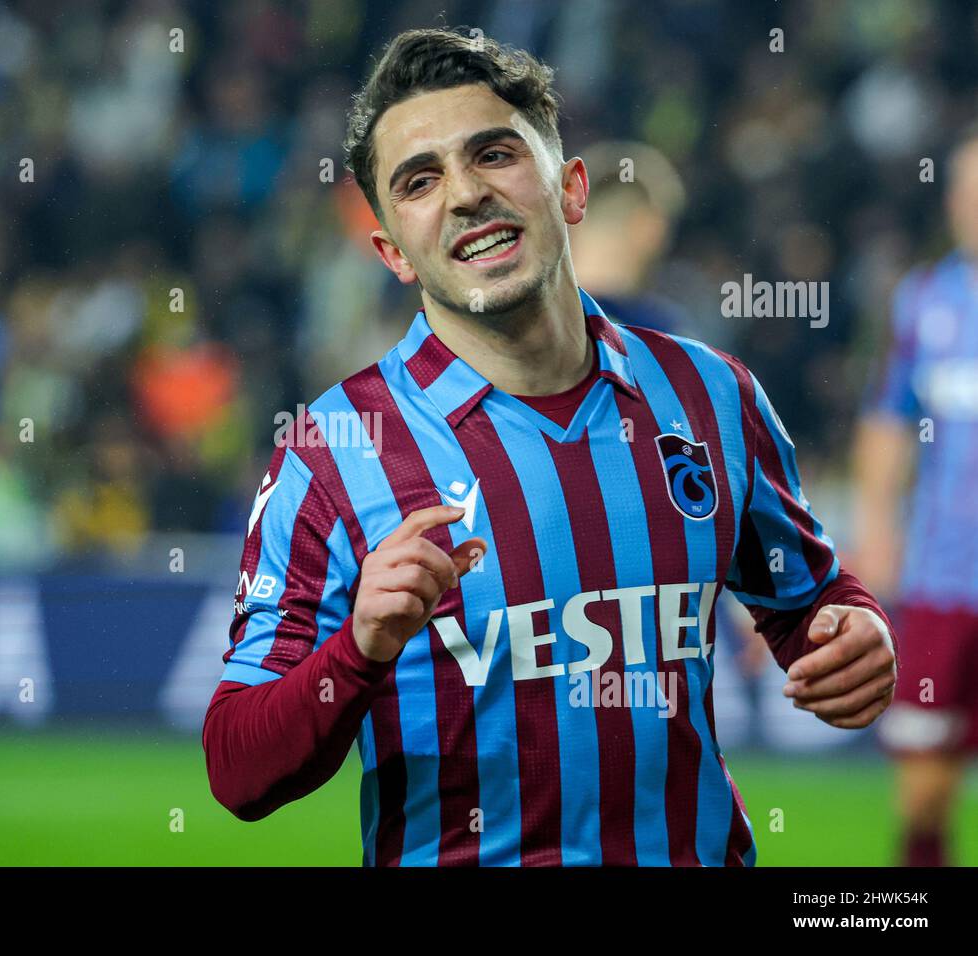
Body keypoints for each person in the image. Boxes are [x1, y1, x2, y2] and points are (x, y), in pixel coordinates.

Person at [203, 28, 897, 866]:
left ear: (570, 189)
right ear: (392, 252)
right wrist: (358, 651)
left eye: (494, 154)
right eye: (420, 181)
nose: (466, 194)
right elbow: (237, 770)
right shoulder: (335, 450)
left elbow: (811, 603)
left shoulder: (713, 396)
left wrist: (856, 635)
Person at [853, 122, 978, 867]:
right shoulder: (924, 301)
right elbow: (887, 422)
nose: (970, 205)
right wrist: (878, 529)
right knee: (924, 789)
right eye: (963, 189)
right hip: (941, 583)